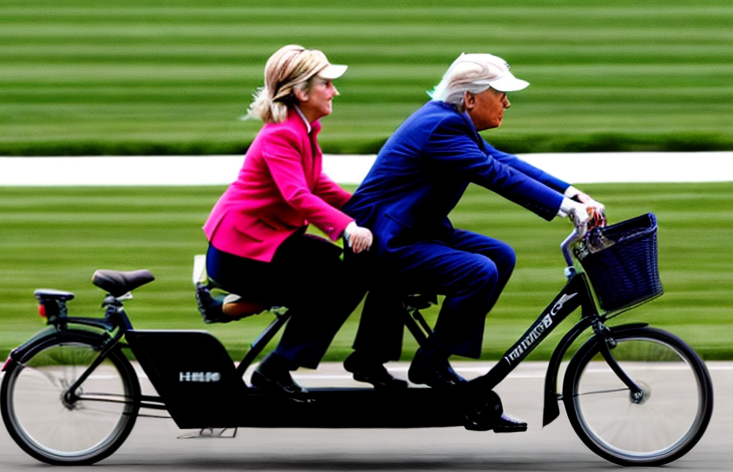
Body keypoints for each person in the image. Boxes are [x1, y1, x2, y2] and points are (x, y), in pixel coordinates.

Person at [342, 53, 604, 427]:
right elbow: (494, 174)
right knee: (479, 271)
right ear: (469, 98)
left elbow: (504, 161)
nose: (507, 103)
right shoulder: (442, 129)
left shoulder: (451, 122)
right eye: (500, 94)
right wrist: (565, 209)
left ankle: (412, 356)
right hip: (387, 242)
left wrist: (572, 194)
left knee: (500, 255)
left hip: (411, 230)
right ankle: (431, 365)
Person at [197, 44, 406, 399]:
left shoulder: (302, 129)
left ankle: (233, 318)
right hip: (242, 250)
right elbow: (298, 195)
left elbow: (318, 184)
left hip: (266, 240)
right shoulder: (282, 134)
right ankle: (274, 370)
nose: (334, 91)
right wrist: (347, 227)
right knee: (336, 282)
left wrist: (368, 211)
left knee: (341, 276)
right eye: (326, 83)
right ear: (300, 91)